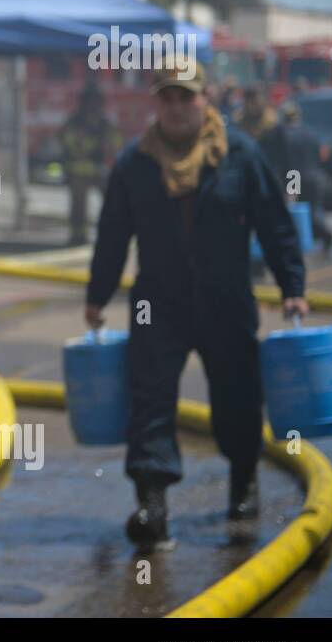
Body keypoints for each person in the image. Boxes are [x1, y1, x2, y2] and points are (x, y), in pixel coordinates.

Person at [85, 62, 308, 551]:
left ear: (205, 99)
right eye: (168, 98)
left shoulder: (240, 156)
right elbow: (112, 237)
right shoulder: (134, 164)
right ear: (155, 104)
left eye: (187, 97)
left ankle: (243, 479)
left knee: (237, 397)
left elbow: (274, 223)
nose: (178, 107)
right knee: (151, 402)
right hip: (157, 305)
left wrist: (293, 284)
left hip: (226, 300)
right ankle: (152, 507)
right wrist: (97, 296)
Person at [58, 83, 118, 246]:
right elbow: (66, 140)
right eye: (90, 101)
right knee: (78, 206)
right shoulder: (74, 122)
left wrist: (110, 144)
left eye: (96, 101)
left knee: (114, 201)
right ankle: (78, 237)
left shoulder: (104, 123)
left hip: (98, 170)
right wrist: (85, 144)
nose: (93, 105)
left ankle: (113, 234)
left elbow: (116, 143)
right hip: (77, 170)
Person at [281, 103, 332, 254]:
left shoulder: (286, 136)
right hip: (315, 175)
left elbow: (289, 163)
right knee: (316, 210)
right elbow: (323, 155)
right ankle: (323, 234)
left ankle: (315, 237)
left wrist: (290, 187)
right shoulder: (311, 133)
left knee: (293, 209)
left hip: (295, 176)